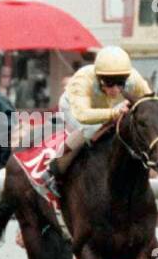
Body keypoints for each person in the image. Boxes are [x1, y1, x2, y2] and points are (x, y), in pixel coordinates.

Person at [45, 46, 152, 192]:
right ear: (98, 77)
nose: (115, 89)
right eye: (109, 82)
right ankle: (54, 172)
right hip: (75, 108)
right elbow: (83, 115)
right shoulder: (82, 80)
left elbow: (150, 103)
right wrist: (114, 113)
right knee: (90, 130)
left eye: (121, 82)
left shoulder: (134, 78)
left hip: (111, 106)